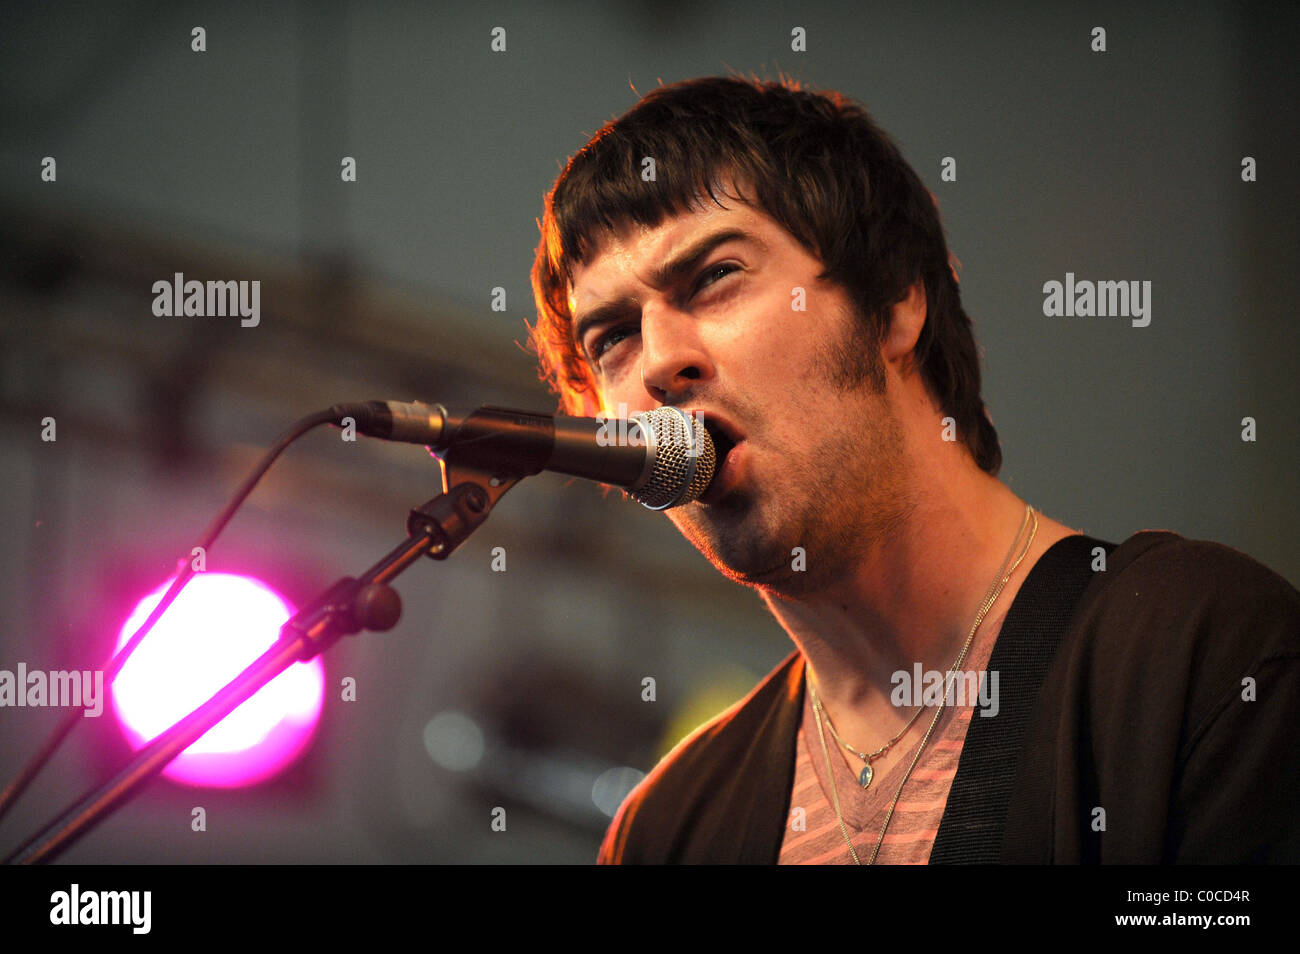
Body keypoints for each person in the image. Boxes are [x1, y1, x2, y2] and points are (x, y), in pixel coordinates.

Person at [527, 76, 1300, 864]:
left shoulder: (1201, 653)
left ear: (894, 300)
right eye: (612, 336)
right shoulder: (667, 831)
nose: (660, 361)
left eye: (716, 276)